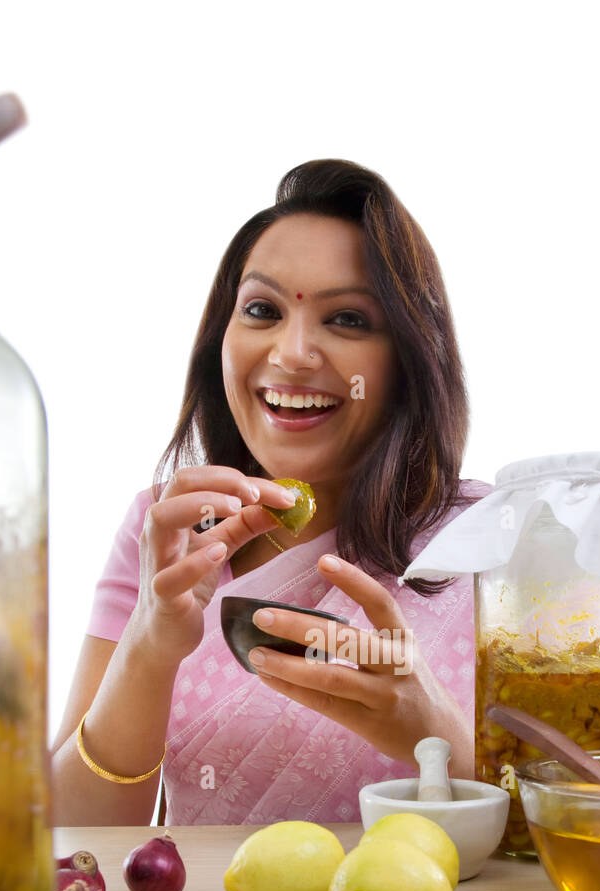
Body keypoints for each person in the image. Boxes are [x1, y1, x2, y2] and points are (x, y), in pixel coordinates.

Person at [50, 159, 491, 826]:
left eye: (346, 319)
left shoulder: (490, 542)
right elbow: (70, 837)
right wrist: (148, 644)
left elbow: (586, 824)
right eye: (262, 310)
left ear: (408, 358)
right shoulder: (165, 529)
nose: (292, 352)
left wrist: (434, 735)